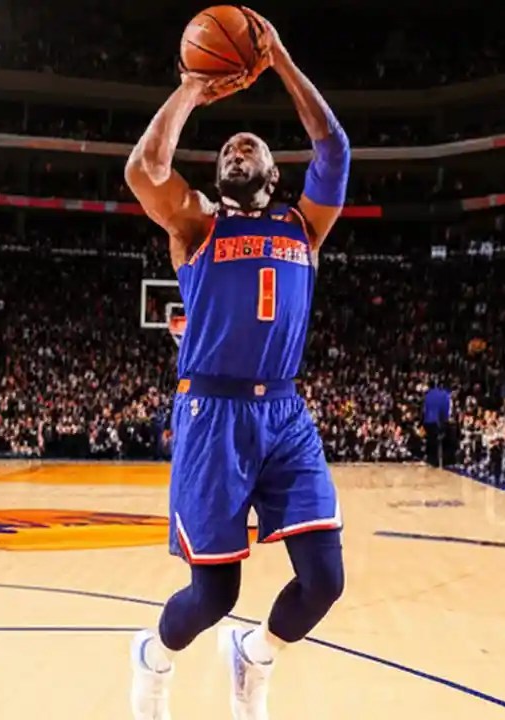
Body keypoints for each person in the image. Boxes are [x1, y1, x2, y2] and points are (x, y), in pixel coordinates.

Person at [123, 11, 350, 720]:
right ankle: (153, 656)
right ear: (219, 175)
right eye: (228, 148)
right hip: (211, 411)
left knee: (324, 582)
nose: (237, 148)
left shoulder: (303, 224)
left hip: (284, 412)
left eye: (250, 145)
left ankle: (254, 656)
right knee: (212, 596)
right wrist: (192, 88)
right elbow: (144, 171)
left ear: (274, 173)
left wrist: (277, 56)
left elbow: (334, 146)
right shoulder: (195, 224)